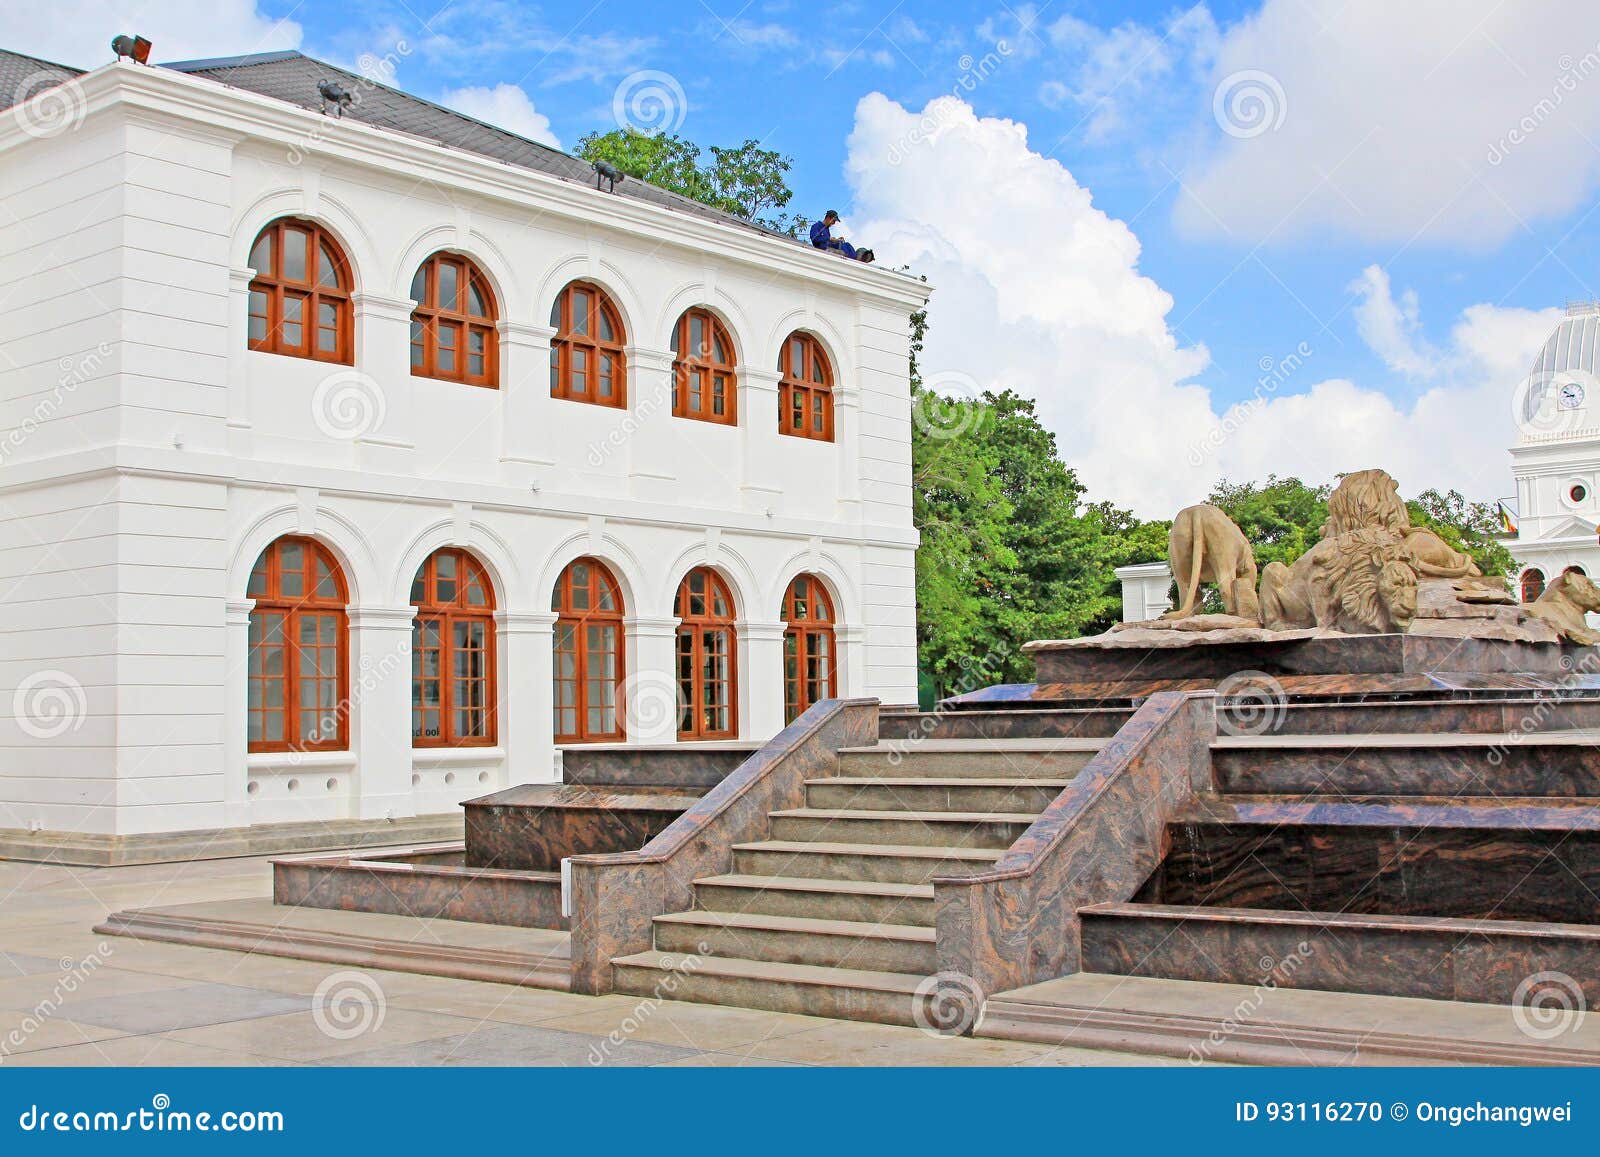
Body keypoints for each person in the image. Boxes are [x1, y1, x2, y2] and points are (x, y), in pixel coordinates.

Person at [809, 210, 874, 262]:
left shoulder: (826, 229)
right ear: (828, 218)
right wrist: (829, 239)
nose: (833, 223)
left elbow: (828, 240)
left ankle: (863, 256)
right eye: (833, 221)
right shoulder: (816, 226)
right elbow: (814, 239)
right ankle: (858, 258)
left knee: (847, 244)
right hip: (824, 249)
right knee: (844, 250)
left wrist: (837, 240)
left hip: (831, 246)